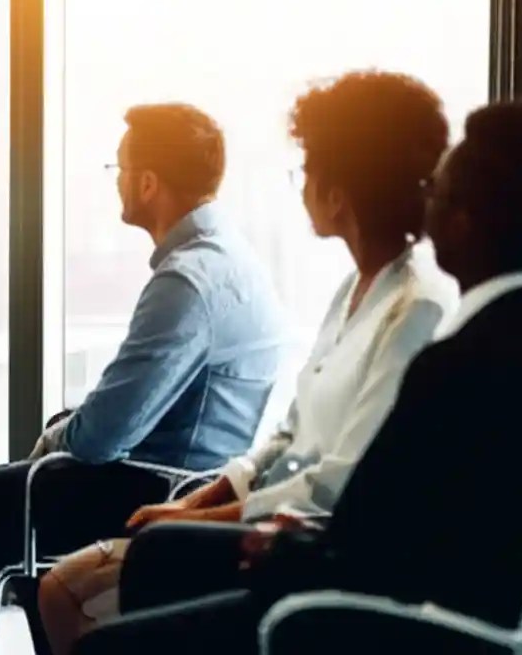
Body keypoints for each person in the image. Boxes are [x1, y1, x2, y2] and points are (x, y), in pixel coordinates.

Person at [73, 101, 522, 654]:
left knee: (109, 641)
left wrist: (286, 548)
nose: (425, 211)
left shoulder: (464, 357)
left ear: (468, 220)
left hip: (395, 622)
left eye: (439, 195)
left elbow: (368, 528)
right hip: (449, 606)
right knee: (164, 557)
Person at [37, 69, 459, 655]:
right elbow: (290, 431)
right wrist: (204, 496)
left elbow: (335, 484)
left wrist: (198, 521)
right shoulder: (355, 289)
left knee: (102, 574)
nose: (301, 183)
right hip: (273, 513)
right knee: (63, 587)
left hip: (318, 545)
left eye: (307, 170)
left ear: (339, 193)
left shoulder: (416, 308)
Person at [0, 103, 286, 655]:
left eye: (119, 171)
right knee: (7, 508)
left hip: (156, 487)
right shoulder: (233, 258)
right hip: (192, 473)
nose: (117, 186)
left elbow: (101, 438)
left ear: (147, 182)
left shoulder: (187, 281)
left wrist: (55, 436)